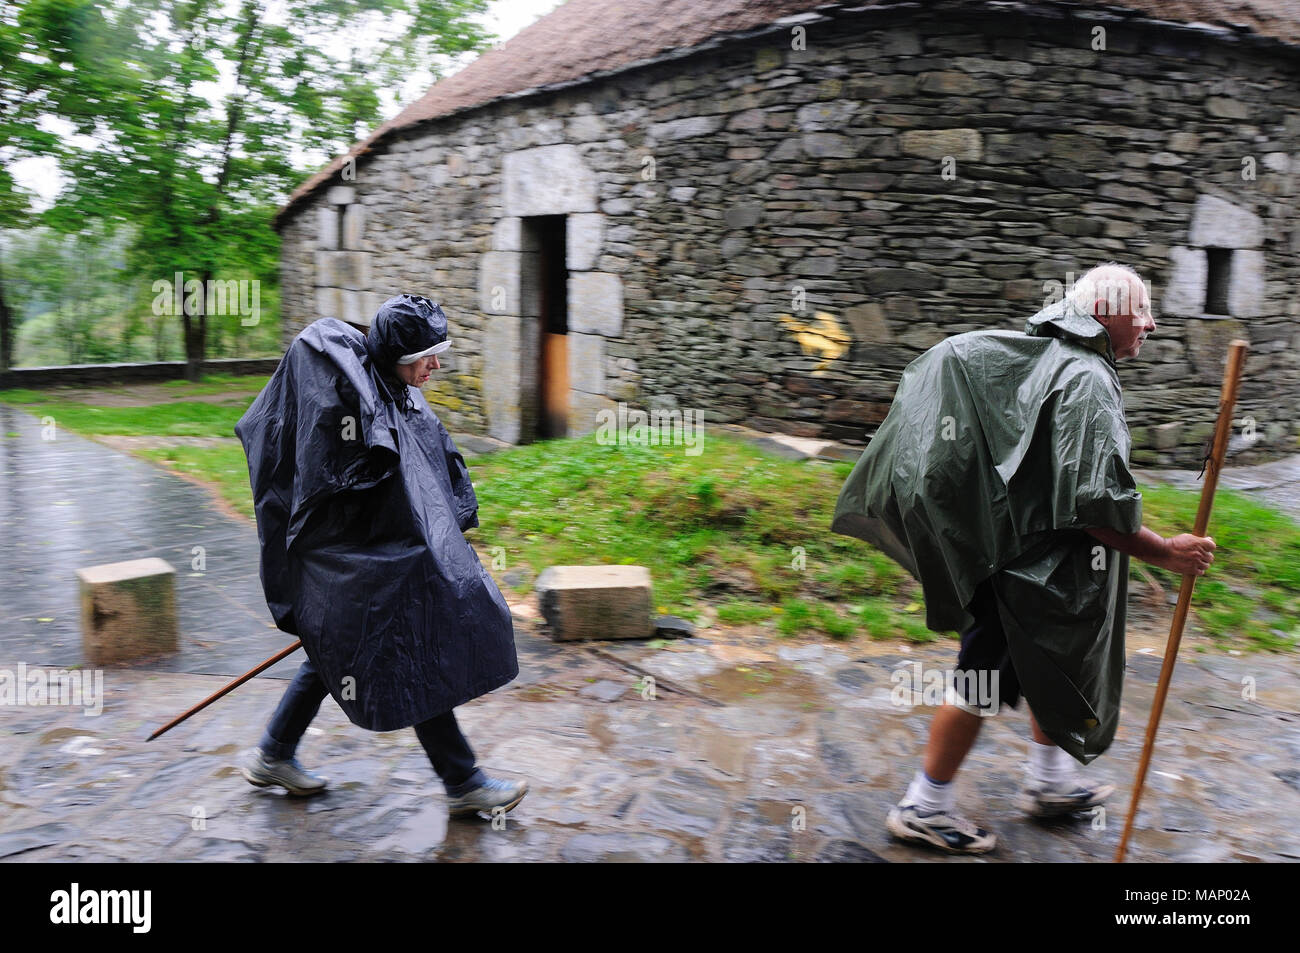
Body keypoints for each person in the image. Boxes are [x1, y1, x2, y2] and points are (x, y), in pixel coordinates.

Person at [831, 263, 1216, 854]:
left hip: (1013, 558)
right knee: (982, 681)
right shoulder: (1084, 378)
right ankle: (924, 805)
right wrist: (1166, 551)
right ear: (1105, 313)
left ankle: (1048, 782)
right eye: (1140, 310)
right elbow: (1092, 506)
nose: (1152, 323)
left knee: (1048, 668)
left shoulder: (1039, 356)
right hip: (1021, 573)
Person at [234, 294, 526, 818]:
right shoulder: (349, 403)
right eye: (427, 355)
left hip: (385, 564)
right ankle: (463, 782)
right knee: (404, 651)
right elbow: (335, 496)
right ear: (396, 353)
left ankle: (274, 753)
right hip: (349, 565)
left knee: (334, 654)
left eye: (441, 352)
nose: (436, 365)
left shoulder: (398, 391)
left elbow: (430, 471)